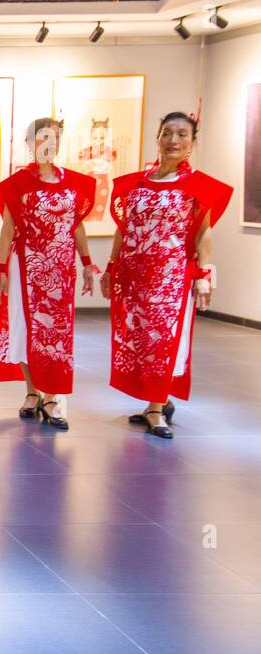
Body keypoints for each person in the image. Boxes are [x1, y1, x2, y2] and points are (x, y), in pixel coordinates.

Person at [102, 111, 232, 439]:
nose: (174, 140)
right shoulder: (134, 184)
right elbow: (123, 228)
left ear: (192, 142)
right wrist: (111, 266)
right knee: (141, 341)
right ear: (158, 138)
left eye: (182, 134)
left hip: (171, 281)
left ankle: (157, 408)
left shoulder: (196, 187)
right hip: (135, 279)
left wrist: (204, 273)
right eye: (167, 133)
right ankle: (155, 402)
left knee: (165, 343)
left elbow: (203, 233)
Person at [0, 118, 98, 430]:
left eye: (55, 139)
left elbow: (76, 225)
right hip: (26, 267)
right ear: (31, 143)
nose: (49, 144)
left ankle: (53, 396)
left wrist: (87, 262)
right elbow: (8, 229)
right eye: (42, 138)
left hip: (60, 270)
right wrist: (1, 268)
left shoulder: (73, 184)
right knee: (26, 328)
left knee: (56, 334)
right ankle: (32, 391)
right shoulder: (18, 184)